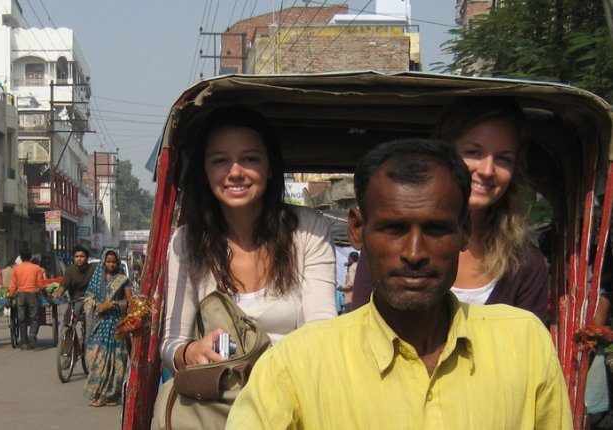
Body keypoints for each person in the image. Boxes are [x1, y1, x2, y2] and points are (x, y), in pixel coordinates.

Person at [226, 138, 572, 429]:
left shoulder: (524, 345)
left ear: (464, 231)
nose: (415, 252)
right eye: (394, 229)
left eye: (436, 229)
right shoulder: (294, 366)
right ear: (358, 231)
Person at [160, 106, 336, 374]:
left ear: (270, 167)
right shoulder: (186, 241)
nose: (235, 172)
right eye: (220, 161)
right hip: (218, 401)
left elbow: (322, 329)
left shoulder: (307, 230)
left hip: (294, 388)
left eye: (250, 159)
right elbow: (171, 344)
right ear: (205, 172)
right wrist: (191, 352)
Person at [352, 98, 549, 324]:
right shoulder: (388, 243)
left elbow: (527, 345)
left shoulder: (524, 263)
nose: (487, 170)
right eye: (474, 152)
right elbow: (361, 328)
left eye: (503, 158)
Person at [83, 249, 131, 407]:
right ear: (104, 262)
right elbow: (89, 296)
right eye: (109, 261)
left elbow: (130, 302)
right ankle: (97, 393)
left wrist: (113, 304)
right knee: (97, 358)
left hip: (117, 324)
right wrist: (96, 304)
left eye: (114, 262)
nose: (111, 264)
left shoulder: (123, 280)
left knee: (116, 359)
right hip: (100, 323)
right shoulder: (97, 279)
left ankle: (111, 395)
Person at [8, 248, 45, 350]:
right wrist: (46, 295)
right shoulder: (37, 268)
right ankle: (32, 334)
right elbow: (40, 284)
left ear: (21, 257)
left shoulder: (16, 269)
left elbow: (13, 285)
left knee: (22, 319)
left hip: (20, 295)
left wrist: (10, 297)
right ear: (31, 256)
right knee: (34, 318)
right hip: (33, 294)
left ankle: (23, 343)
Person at [53, 245, 95, 326]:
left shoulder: (93, 268)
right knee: (69, 319)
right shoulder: (70, 270)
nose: (79, 259)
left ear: (87, 258)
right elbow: (64, 284)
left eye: (82, 256)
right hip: (76, 300)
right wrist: (59, 293)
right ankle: (66, 334)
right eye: (77, 256)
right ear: (73, 258)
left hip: (92, 300)